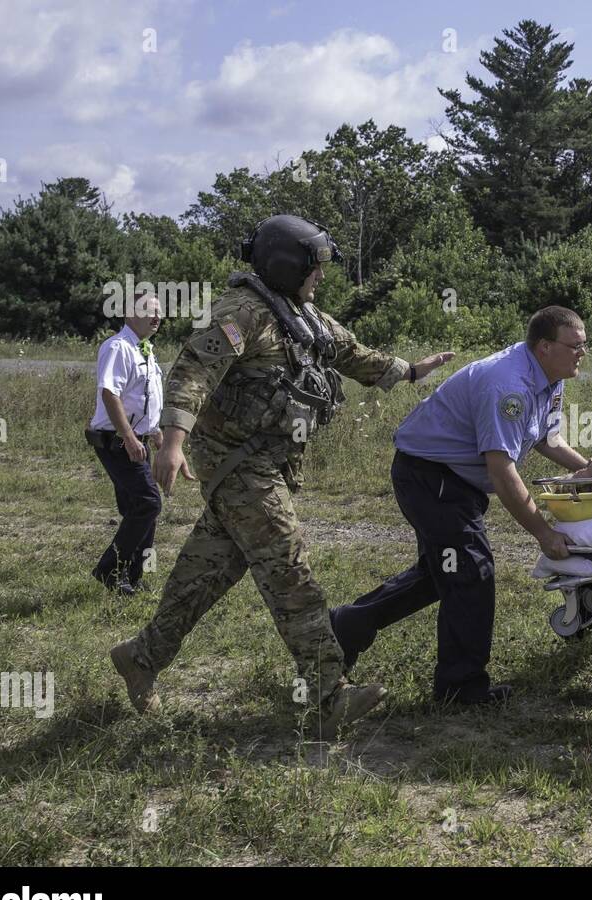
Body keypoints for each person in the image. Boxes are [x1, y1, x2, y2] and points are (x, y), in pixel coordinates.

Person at [108, 215, 453, 738]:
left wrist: (408, 370)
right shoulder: (240, 312)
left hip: (266, 469)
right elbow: (193, 372)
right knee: (288, 566)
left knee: (206, 573)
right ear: (288, 265)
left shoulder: (301, 315)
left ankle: (142, 655)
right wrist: (173, 441)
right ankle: (327, 694)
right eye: (315, 266)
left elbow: (349, 352)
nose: (321, 277)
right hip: (239, 467)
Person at [330, 307, 591, 706]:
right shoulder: (509, 385)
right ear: (544, 347)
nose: (582, 354)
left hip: (451, 480)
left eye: (584, 345)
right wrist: (544, 533)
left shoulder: (550, 377)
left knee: (444, 571)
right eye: (576, 346)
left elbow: (546, 439)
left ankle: (348, 625)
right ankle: (461, 687)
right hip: (429, 478)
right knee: (470, 570)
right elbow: (502, 472)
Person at [87, 292, 169, 596]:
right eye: (150, 310)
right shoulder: (118, 347)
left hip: (136, 440)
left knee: (137, 506)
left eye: (160, 311)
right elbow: (110, 394)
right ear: (129, 313)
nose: (157, 317)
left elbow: (144, 396)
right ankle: (109, 570)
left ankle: (131, 578)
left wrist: (154, 429)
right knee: (149, 503)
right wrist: (130, 437)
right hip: (117, 442)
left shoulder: (145, 349)